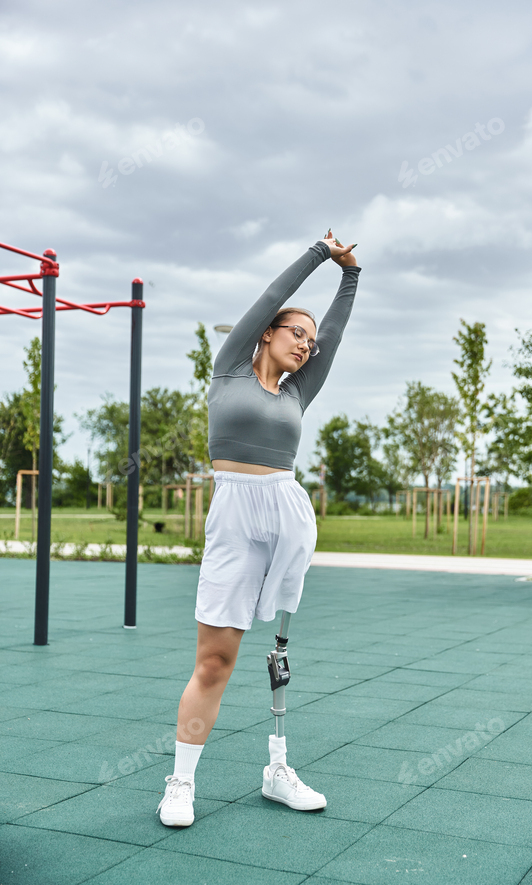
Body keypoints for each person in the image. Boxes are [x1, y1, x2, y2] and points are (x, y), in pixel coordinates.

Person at [157, 231, 361, 826]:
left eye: (310, 339)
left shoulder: (298, 393)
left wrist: (353, 277)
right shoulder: (229, 372)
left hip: (287, 512)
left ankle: (277, 769)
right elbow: (274, 293)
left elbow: (337, 336)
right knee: (215, 660)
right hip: (235, 514)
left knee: (279, 650)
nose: (306, 343)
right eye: (295, 331)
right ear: (266, 334)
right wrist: (322, 255)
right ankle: (180, 783)